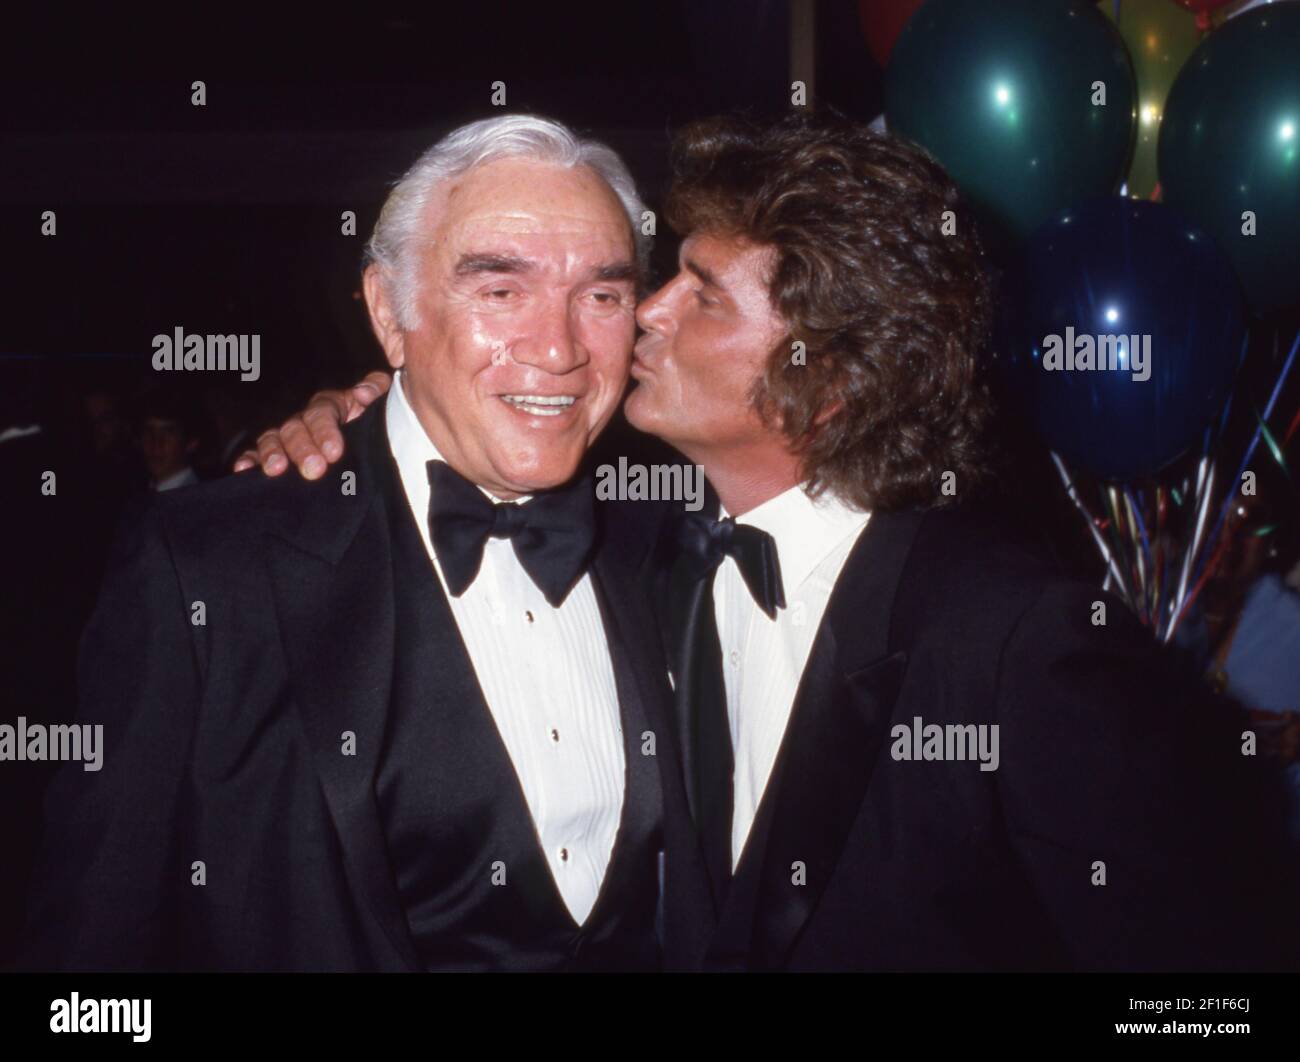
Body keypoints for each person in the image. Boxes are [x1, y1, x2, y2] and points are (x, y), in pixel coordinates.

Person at [247, 112, 1297, 971]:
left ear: (828, 377)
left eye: (699, 294)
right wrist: (361, 417)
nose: (640, 315)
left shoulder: (1019, 637)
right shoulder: (629, 554)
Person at [19, 114, 693, 971]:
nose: (559, 349)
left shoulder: (668, 550)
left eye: (600, 295)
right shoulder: (210, 566)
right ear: (388, 310)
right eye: (500, 290)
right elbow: (89, 941)